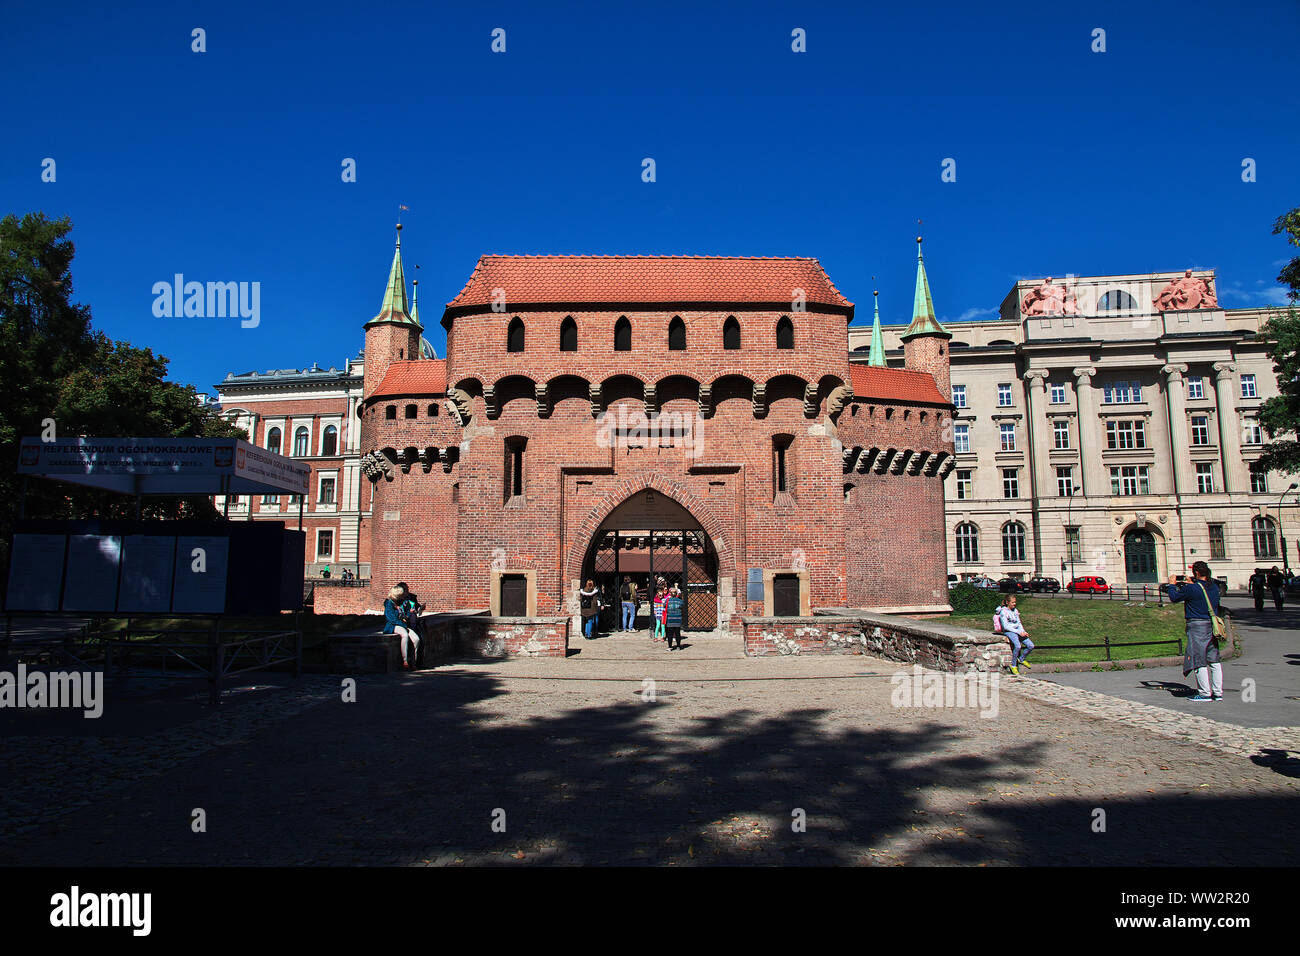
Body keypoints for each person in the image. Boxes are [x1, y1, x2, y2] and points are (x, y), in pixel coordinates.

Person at [1165, 561, 1224, 702]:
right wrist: (1193, 584)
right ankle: (1217, 692)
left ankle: (1204, 693)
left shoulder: (1192, 589)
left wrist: (1172, 584)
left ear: (1196, 573)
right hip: (1212, 625)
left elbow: (1174, 598)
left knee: (1198, 658)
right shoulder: (1214, 587)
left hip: (1197, 625)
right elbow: (1203, 593)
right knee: (1214, 659)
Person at [383, 585, 420, 670]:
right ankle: (405, 660)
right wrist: (404, 625)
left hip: (402, 624)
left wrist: (410, 613)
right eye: (402, 595)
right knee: (404, 635)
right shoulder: (389, 604)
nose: (403, 597)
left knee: (416, 639)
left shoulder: (401, 603)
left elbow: (404, 616)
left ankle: (414, 662)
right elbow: (392, 619)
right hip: (393, 625)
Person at [997, 594, 1034, 676]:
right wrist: (1018, 632)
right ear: (1007, 602)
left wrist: (1023, 632)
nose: (1014, 604)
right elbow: (1006, 626)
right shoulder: (1003, 612)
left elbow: (1019, 623)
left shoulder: (1015, 611)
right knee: (1017, 646)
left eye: (1015, 602)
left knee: (1031, 645)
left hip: (1018, 630)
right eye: (1012, 602)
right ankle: (1013, 665)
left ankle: (1021, 659)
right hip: (1009, 631)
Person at [664, 585, 685, 650]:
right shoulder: (680, 601)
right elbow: (682, 606)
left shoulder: (667, 601)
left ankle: (670, 646)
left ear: (670, 594)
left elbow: (664, 606)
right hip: (678, 619)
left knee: (670, 634)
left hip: (670, 619)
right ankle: (678, 646)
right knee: (677, 633)